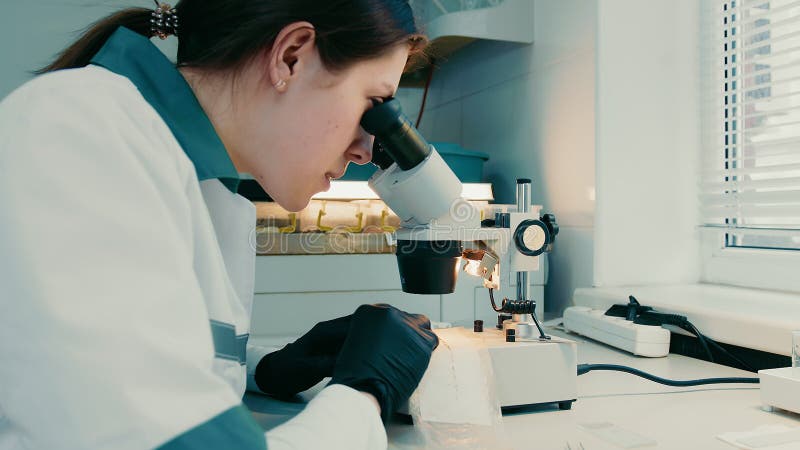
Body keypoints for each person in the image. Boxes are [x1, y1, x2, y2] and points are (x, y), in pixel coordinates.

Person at [0, 1, 438, 449]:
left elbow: (151, 367)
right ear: (291, 56)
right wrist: (362, 394)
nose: (367, 149)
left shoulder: (208, 190)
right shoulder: (80, 132)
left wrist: (264, 369)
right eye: (374, 105)